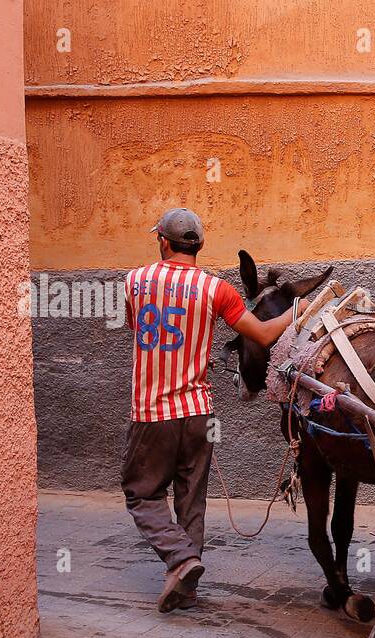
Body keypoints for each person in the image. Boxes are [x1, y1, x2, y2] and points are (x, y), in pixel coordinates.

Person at [122, 208, 294, 612]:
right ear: (198, 246)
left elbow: (145, 331)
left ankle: (181, 560)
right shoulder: (218, 290)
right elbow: (266, 334)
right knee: (191, 497)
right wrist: (299, 309)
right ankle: (186, 583)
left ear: (163, 242)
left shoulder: (135, 281)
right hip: (199, 413)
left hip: (151, 413)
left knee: (140, 492)